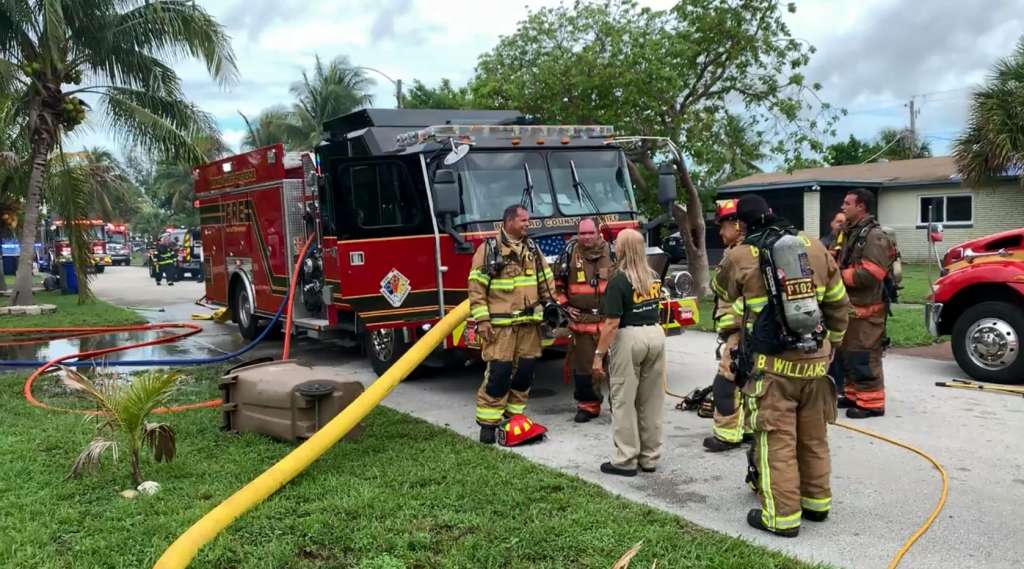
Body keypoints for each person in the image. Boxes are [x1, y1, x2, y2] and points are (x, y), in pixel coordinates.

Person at [712, 194, 849, 537]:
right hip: (816, 364)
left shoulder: (741, 254)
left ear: (743, 224)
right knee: (814, 437)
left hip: (773, 368)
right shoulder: (814, 246)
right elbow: (838, 302)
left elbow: (720, 289)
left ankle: (781, 518)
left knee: (777, 442)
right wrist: (832, 344)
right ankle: (817, 503)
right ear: (772, 213)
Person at [468, 204, 555, 444]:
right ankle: (488, 424)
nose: (528, 224)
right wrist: (482, 320)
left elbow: (546, 281)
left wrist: (550, 306)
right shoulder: (488, 250)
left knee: (524, 373)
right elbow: (476, 289)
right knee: (499, 374)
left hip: (529, 325)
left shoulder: (532, 249)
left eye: (528, 220)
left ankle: (514, 420)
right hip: (501, 327)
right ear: (509, 222)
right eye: (523, 220)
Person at [592, 228, 666, 477]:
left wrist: (599, 355)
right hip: (655, 335)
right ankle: (650, 457)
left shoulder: (619, 281)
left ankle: (625, 460)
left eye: (617, 245)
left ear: (622, 250)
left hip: (630, 338)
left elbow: (612, 323)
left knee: (623, 400)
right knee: (651, 400)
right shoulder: (653, 277)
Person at [838, 188, 893, 419]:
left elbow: (873, 273)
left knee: (864, 357)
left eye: (847, 203)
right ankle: (854, 395)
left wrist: (838, 276)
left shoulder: (873, 236)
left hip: (867, 311)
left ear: (861, 206)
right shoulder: (853, 232)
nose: (843, 207)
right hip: (853, 309)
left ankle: (872, 404)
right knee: (850, 355)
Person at [554, 217, 615, 423]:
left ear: (599, 232)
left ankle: (619, 407)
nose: (586, 237)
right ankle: (588, 406)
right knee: (584, 369)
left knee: (617, 368)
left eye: (590, 233)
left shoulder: (613, 252)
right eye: (582, 233)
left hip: (609, 321)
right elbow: (557, 285)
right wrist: (565, 306)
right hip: (582, 322)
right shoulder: (569, 253)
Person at [704, 199, 751, 452]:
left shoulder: (741, 254)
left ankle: (726, 433)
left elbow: (751, 295)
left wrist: (732, 321)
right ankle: (748, 428)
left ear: (737, 224)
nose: (720, 232)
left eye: (723, 226)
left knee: (727, 379)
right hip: (747, 330)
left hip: (740, 330)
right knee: (749, 378)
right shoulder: (747, 250)